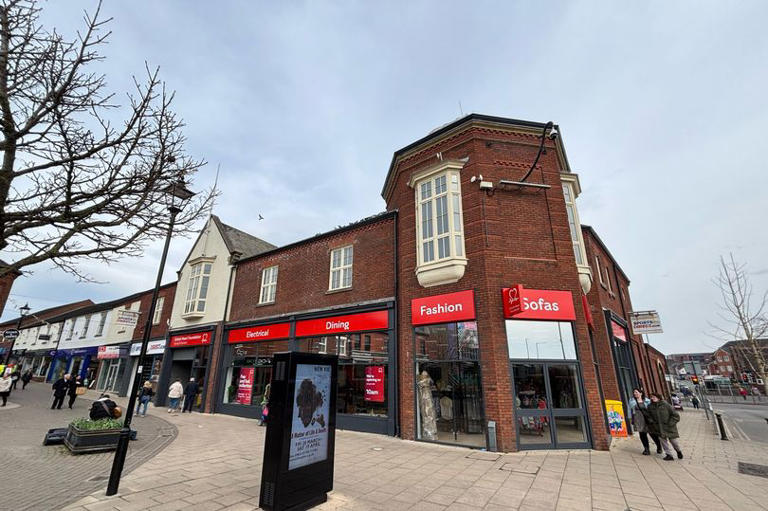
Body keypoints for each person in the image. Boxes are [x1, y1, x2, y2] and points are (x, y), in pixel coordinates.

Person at [648, 392, 683, 461]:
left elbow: (676, 416)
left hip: (669, 428)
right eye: (651, 397)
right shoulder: (650, 406)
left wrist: (670, 424)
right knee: (664, 443)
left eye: (654, 397)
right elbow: (649, 416)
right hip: (659, 428)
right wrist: (652, 422)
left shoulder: (666, 405)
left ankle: (678, 451)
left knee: (674, 442)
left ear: (658, 397)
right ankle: (669, 455)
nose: (652, 398)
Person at [630, 388, 662, 455]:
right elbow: (630, 410)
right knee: (642, 435)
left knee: (653, 434)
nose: (635, 393)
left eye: (636, 392)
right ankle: (646, 449)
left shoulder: (647, 401)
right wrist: (630, 419)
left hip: (648, 419)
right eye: (634, 392)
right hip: (638, 420)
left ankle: (659, 446)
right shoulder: (632, 401)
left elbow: (652, 409)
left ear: (641, 393)